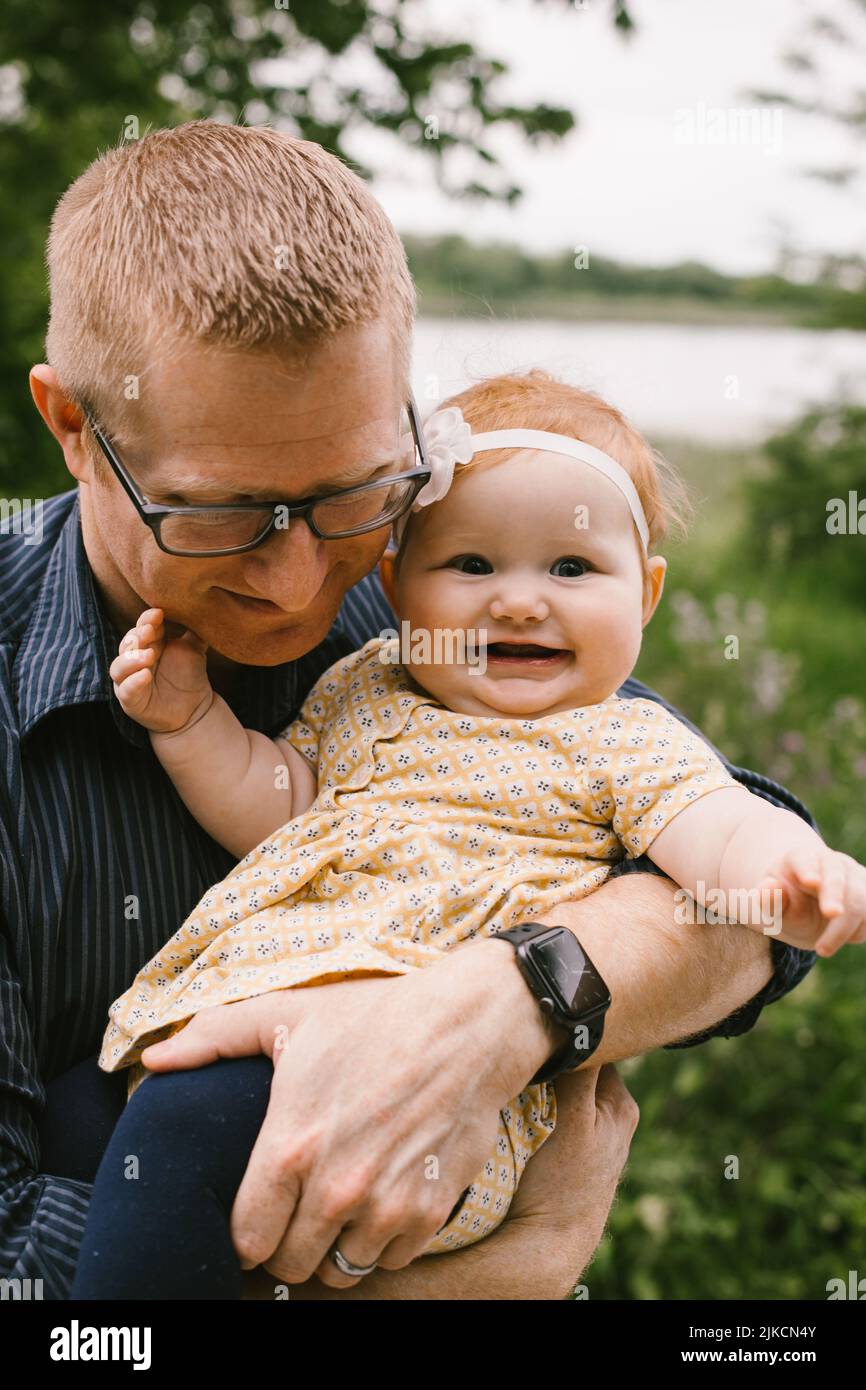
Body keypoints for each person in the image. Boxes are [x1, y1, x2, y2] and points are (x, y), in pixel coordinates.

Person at [3, 120, 814, 1301]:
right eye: (220, 513)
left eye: (348, 494)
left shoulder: (441, 591)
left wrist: (514, 1000)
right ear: (73, 426)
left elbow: (746, 905)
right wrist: (501, 1272)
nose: (297, 583)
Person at [67, 370, 863, 1299]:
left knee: (175, 1143)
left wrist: (788, 871)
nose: (520, 602)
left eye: (571, 569)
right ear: (398, 586)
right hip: (248, 1024)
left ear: (644, 595)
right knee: (77, 1115)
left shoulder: (622, 738)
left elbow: (714, 827)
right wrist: (189, 724)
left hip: (419, 1098)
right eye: (473, 566)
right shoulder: (365, 688)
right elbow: (277, 808)